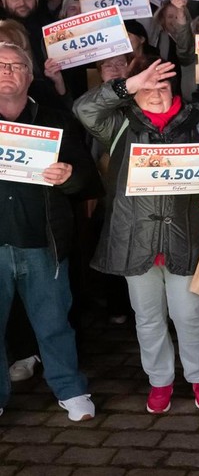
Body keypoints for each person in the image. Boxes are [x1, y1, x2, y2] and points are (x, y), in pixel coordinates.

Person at [74, 59, 199, 414]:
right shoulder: (119, 122)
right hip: (134, 238)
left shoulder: (195, 122)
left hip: (184, 236)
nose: (155, 94)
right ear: (135, 91)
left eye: (163, 87)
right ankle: (160, 380)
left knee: (189, 312)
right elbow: (83, 109)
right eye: (148, 88)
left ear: (174, 91)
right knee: (148, 316)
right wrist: (130, 82)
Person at [0, 43, 100, 421]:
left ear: (30, 76)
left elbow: (87, 178)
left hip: (43, 242)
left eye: (16, 66)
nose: (7, 71)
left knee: (54, 323)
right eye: (0, 65)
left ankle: (70, 390)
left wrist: (69, 176)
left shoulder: (56, 121)